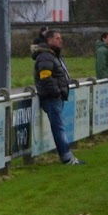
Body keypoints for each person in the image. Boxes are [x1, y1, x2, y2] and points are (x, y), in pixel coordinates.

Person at [33, 27, 83, 164]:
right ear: (49, 40)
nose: (61, 40)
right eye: (57, 38)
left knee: (59, 127)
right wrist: (57, 92)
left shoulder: (52, 55)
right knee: (59, 129)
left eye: (60, 38)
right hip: (51, 98)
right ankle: (67, 159)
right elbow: (46, 78)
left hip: (55, 97)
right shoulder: (45, 56)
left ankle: (68, 157)